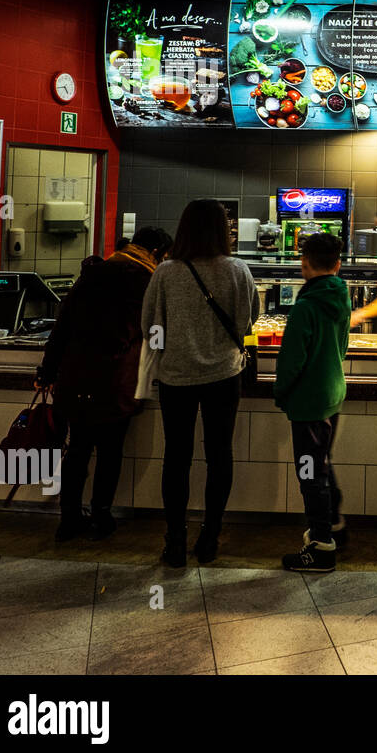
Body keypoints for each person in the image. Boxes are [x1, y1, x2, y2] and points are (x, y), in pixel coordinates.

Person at [142, 199, 259, 568]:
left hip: (176, 377)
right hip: (224, 376)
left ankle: (175, 540)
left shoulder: (166, 271)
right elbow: (249, 321)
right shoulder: (237, 269)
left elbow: (149, 327)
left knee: (176, 457)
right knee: (219, 454)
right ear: (223, 230)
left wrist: (172, 351)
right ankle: (210, 536)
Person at [38, 227, 172, 542]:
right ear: (156, 252)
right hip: (115, 379)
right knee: (110, 451)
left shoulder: (94, 272)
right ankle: (102, 515)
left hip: (77, 376)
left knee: (78, 450)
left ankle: (69, 518)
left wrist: (47, 370)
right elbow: (156, 330)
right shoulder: (145, 279)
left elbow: (63, 326)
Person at [275, 233, 351, 573]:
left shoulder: (305, 307)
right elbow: (343, 344)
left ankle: (320, 548)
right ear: (337, 264)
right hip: (332, 393)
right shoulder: (341, 295)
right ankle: (332, 523)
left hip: (307, 401)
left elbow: (291, 360)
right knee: (320, 463)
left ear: (304, 263)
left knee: (309, 472)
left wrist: (281, 392)